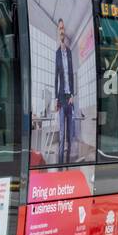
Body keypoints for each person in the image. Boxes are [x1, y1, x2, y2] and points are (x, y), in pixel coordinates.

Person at [54, 19, 76, 164]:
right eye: (60, 28)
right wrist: (56, 98)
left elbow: (71, 74)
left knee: (70, 136)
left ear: (65, 31)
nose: (62, 30)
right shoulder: (57, 54)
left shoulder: (69, 52)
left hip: (70, 99)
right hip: (62, 100)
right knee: (61, 136)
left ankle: (67, 165)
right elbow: (56, 77)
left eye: (63, 28)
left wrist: (73, 94)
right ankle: (61, 165)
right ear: (58, 32)